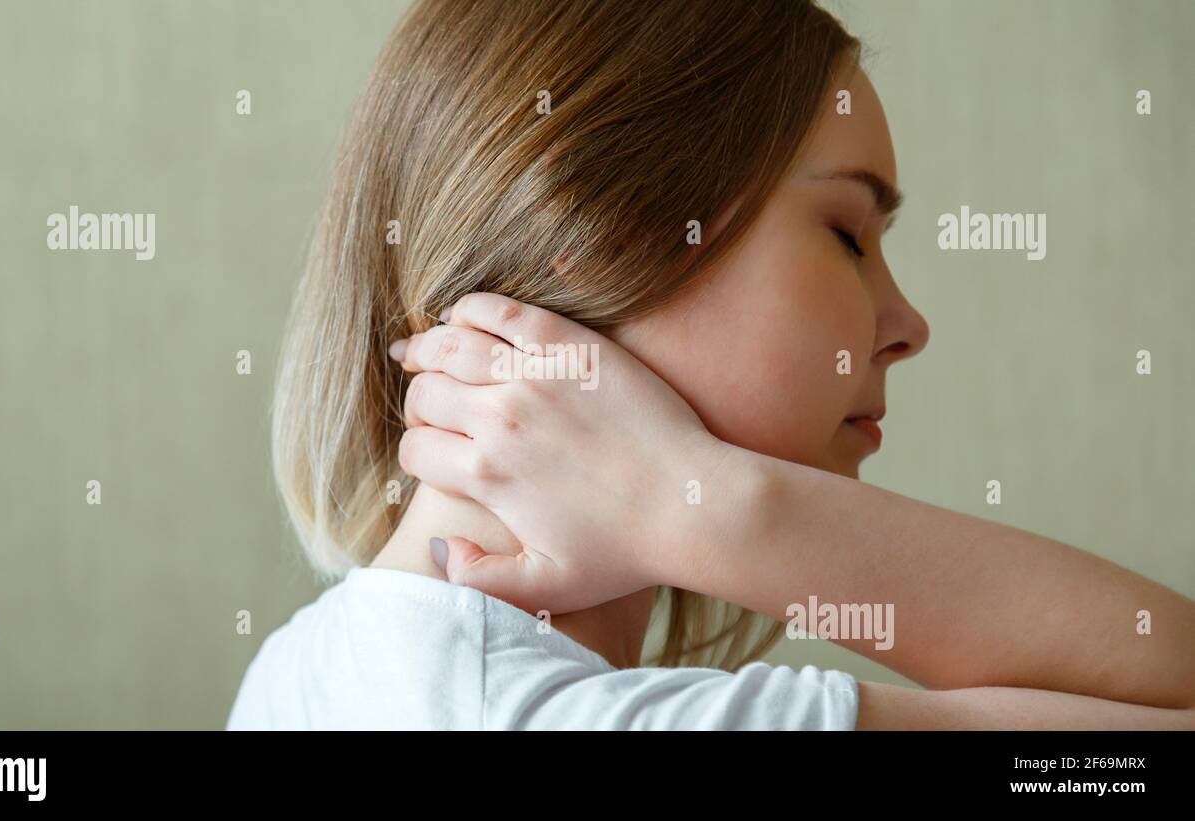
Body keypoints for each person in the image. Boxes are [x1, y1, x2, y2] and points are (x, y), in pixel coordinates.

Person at [226, 0, 1195, 729]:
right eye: (848, 233)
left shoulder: (291, 672)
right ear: (601, 237)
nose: (905, 323)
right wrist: (716, 507)